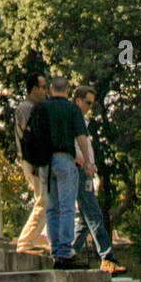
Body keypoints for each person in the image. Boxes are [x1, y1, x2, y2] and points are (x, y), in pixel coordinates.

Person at [44, 75, 92, 268]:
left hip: (45, 162)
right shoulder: (73, 109)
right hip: (65, 158)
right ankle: (65, 251)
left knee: (51, 208)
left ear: (50, 88)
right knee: (67, 207)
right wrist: (87, 161)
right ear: (68, 91)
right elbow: (81, 136)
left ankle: (55, 250)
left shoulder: (42, 108)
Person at [71, 86, 118, 273]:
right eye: (87, 103)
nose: (90, 107)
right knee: (93, 212)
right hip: (79, 170)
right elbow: (69, 144)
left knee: (84, 220)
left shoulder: (81, 119)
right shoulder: (72, 117)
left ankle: (68, 253)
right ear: (78, 100)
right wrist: (84, 163)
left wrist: (91, 164)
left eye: (92, 103)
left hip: (85, 170)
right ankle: (107, 256)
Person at [14, 73, 51, 255]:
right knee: (43, 201)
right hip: (33, 162)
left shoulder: (34, 108)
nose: (46, 91)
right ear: (35, 89)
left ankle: (42, 242)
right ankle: (25, 242)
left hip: (35, 161)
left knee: (46, 201)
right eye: (43, 87)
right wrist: (36, 163)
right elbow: (30, 138)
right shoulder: (27, 108)